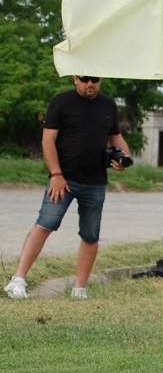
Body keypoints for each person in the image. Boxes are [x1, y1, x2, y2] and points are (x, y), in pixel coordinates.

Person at [4, 76, 130, 300]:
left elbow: (116, 137)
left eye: (94, 79)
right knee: (45, 224)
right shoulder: (61, 101)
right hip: (63, 179)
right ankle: (18, 280)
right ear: (75, 78)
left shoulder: (108, 104)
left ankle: (79, 289)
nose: (89, 83)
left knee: (91, 234)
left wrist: (125, 158)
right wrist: (56, 175)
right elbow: (47, 140)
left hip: (95, 181)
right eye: (84, 78)